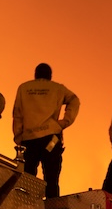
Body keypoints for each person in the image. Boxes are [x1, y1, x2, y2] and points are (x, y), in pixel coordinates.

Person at [12, 63, 80, 197]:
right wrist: (64, 122)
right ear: (50, 76)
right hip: (51, 139)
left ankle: (27, 207)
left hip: (29, 140)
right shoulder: (57, 88)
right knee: (51, 177)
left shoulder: (24, 88)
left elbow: (17, 114)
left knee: (27, 177)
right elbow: (74, 100)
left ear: (35, 75)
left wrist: (18, 136)